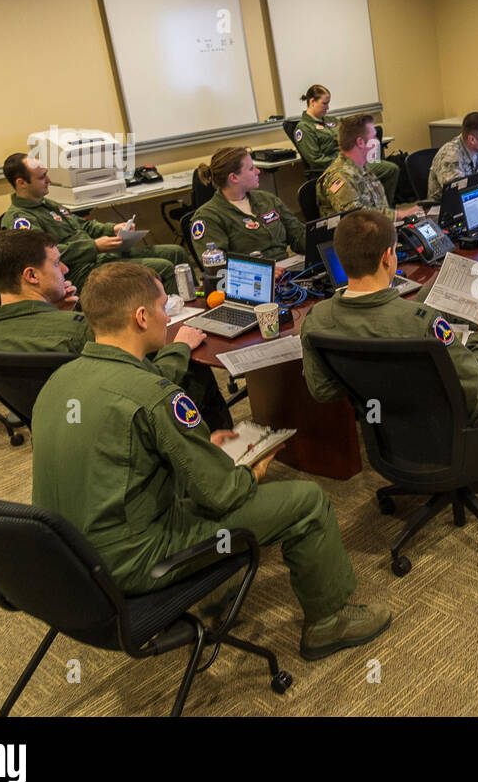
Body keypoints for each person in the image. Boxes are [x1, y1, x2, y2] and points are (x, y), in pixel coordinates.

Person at [31, 262, 390, 660]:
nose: (168, 316)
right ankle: (328, 623)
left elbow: (121, 460)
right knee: (306, 502)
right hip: (131, 563)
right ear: (141, 317)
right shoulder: (153, 393)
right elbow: (221, 494)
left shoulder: (57, 382)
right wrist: (248, 471)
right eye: (163, 305)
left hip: (67, 563)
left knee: (200, 483)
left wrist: (199, 447)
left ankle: (216, 596)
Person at [300, 210, 478, 476]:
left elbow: (323, 391)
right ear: (388, 257)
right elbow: (474, 381)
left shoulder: (315, 321)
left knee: (434, 291)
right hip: (445, 412)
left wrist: (372, 383)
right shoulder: (421, 321)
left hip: (384, 417)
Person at [0, 230, 232, 430]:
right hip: (119, 424)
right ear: (31, 276)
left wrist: (56, 312)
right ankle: (225, 454)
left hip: (60, 427)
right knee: (194, 369)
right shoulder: (81, 331)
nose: (65, 270)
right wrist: (181, 347)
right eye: (56, 264)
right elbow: (150, 381)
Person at [0, 153, 188, 295]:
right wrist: (94, 246)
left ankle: (196, 307)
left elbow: (84, 226)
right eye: (41, 177)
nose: (48, 180)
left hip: (98, 258)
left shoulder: (48, 204)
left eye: (46, 174)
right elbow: (43, 256)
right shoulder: (20, 220)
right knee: (163, 267)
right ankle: (173, 322)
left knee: (175, 252)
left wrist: (113, 229)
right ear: (22, 183)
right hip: (79, 271)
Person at [189, 147, 307, 263]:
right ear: (234, 177)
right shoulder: (208, 217)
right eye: (251, 169)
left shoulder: (267, 199)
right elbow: (220, 266)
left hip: (287, 269)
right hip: (251, 279)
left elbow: (297, 235)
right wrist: (262, 270)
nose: (258, 171)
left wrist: (319, 236)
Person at [292, 84, 401, 203]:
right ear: (312, 101)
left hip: (353, 163)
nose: (328, 107)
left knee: (391, 169)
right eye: (324, 103)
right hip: (336, 170)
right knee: (379, 173)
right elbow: (315, 160)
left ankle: (385, 210)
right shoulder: (303, 128)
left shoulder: (332, 121)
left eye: (328, 103)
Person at [317, 114, 421, 218]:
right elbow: (356, 216)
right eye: (374, 137)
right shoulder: (339, 176)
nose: (377, 141)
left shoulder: (363, 169)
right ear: (360, 142)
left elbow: (380, 207)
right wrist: (398, 215)